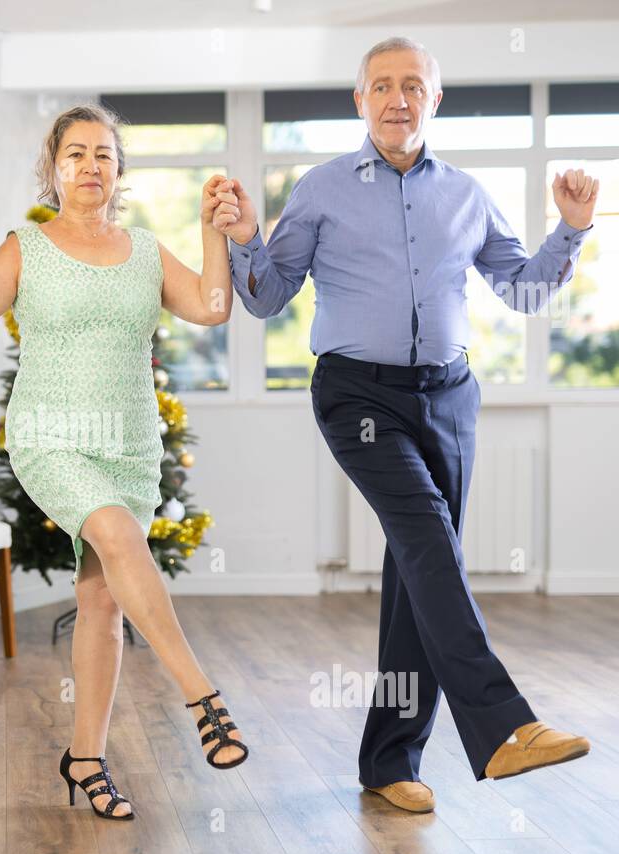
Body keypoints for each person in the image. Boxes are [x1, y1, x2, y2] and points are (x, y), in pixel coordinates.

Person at [215, 36, 595, 814]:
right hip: (358, 397)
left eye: (412, 85)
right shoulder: (320, 189)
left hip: (450, 396)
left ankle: (390, 762)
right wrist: (247, 237)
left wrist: (572, 229)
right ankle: (502, 727)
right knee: (428, 537)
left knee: (416, 572)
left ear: (434, 100)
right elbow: (265, 296)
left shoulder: (466, 194)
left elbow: (521, 293)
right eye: (381, 86)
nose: (397, 99)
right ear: (360, 102)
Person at [0, 104, 249, 821]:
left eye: (104, 154)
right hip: (51, 436)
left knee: (102, 599)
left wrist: (212, 233)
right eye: (75, 153)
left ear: (119, 171)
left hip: (131, 444)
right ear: (52, 169)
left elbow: (210, 306)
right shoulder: (27, 243)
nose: (90, 166)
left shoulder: (143, 249)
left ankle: (86, 759)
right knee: (115, 537)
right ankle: (203, 696)